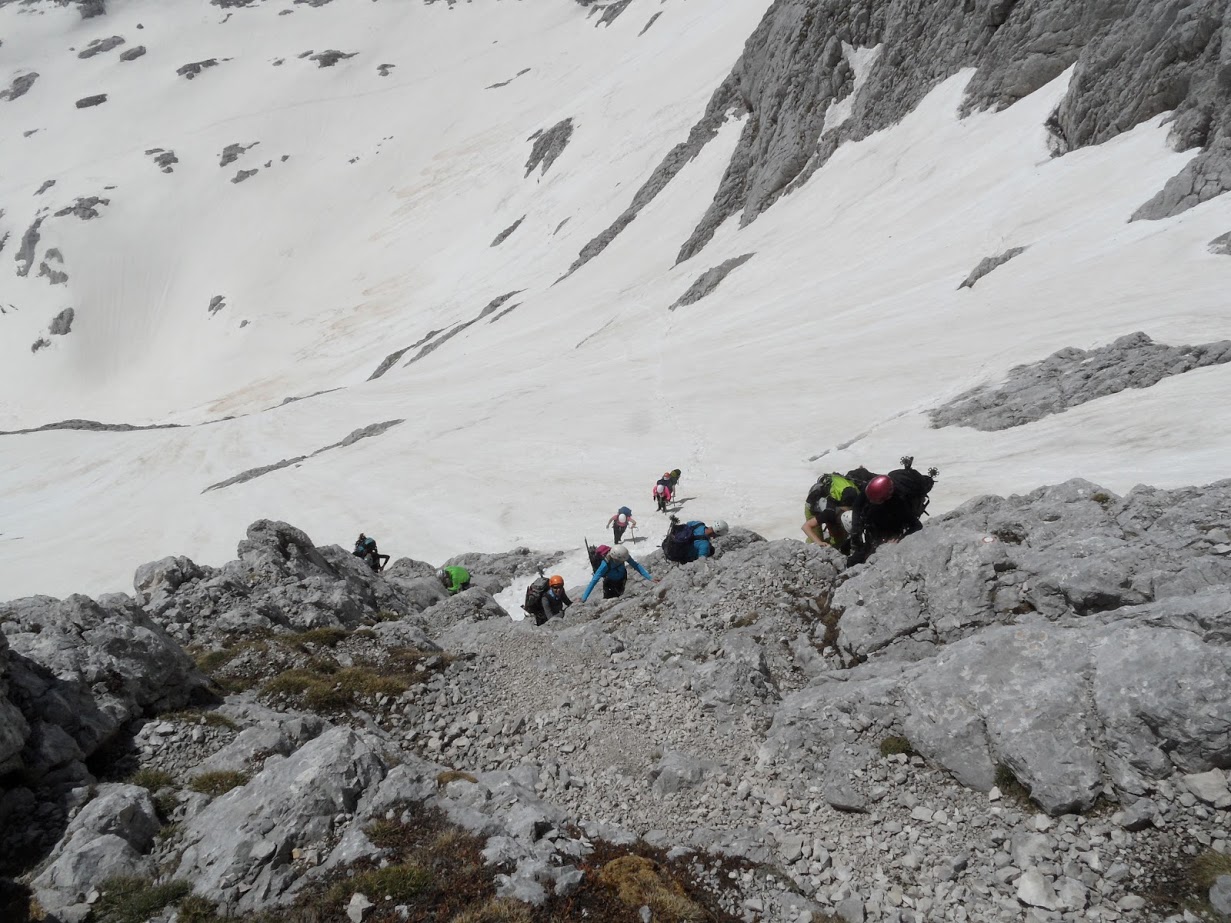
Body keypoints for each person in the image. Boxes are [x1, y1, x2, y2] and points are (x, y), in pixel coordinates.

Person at [845, 457, 937, 567]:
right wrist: (856, 530)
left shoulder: (899, 503)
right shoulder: (870, 487)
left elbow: (916, 525)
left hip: (890, 519)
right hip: (879, 518)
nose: (871, 501)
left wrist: (899, 539)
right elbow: (858, 505)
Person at [802, 473, 861, 549]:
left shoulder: (857, 506)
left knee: (839, 540)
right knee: (815, 541)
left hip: (832, 510)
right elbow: (806, 527)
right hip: (813, 508)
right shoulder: (830, 512)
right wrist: (819, 542)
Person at [581, 544, 652, 601]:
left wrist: (651, 578)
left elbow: (636, 565)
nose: (622, 562)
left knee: (618, 596)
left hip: (621, 579)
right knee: (610, 599)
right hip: (610, 582)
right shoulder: (605, 564)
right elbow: (594, 580)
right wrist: (584, 598)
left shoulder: (623, 556)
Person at [662, 516, 728, 563]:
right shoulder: (704, 545)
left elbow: (685, 526)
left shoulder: (698, 524)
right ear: (717, 533)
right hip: (675, 556)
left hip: (667, 544)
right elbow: (701, 562)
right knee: (711, 551)